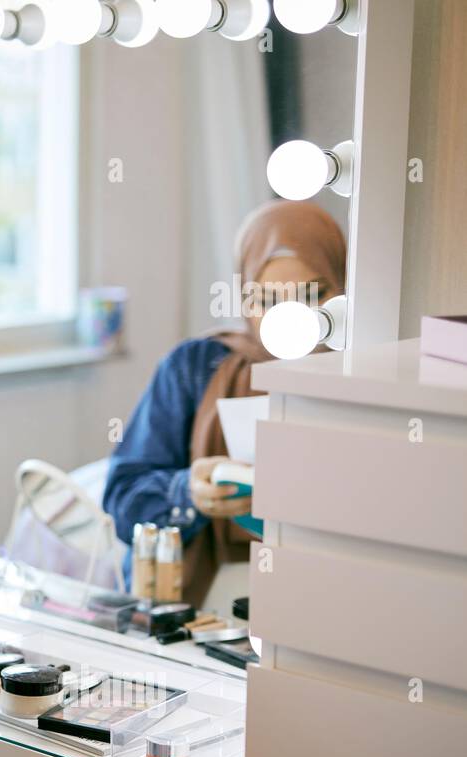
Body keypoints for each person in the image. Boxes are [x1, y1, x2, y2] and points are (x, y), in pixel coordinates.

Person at [103, 200, 346, 607]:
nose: (288, 319)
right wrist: (188, 491)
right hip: (203, 612)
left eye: (311, 296)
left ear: (342, 287)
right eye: (266, 300)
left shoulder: (370, 375)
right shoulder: (195, 367)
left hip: (330, 600)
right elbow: (124, 501)